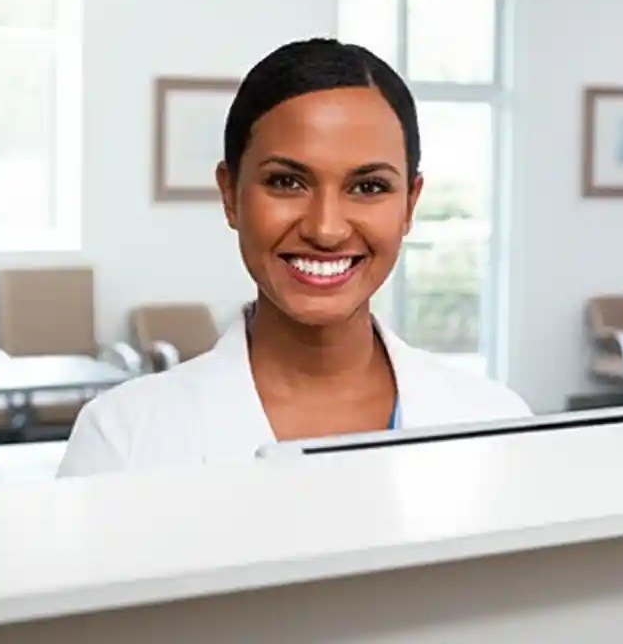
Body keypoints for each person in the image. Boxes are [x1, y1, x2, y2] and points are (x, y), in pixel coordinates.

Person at [57, 38, 529, 476]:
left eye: (369, 188)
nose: (325, 229)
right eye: (287, 182)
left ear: (409, 204)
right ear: (230, 195)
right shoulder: (122, 440)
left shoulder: (496, 422)